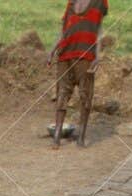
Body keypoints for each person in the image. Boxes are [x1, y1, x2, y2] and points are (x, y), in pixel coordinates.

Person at [52, 0, 107, 149]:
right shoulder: (71, 3)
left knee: (85, 96)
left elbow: (99, 30)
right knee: (62, 93)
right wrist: (53, 49)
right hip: (65, 54)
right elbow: (63, 28)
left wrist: (97, 56)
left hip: (86, 54)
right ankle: (56, 136)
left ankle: (81, 137)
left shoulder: (99, 3)